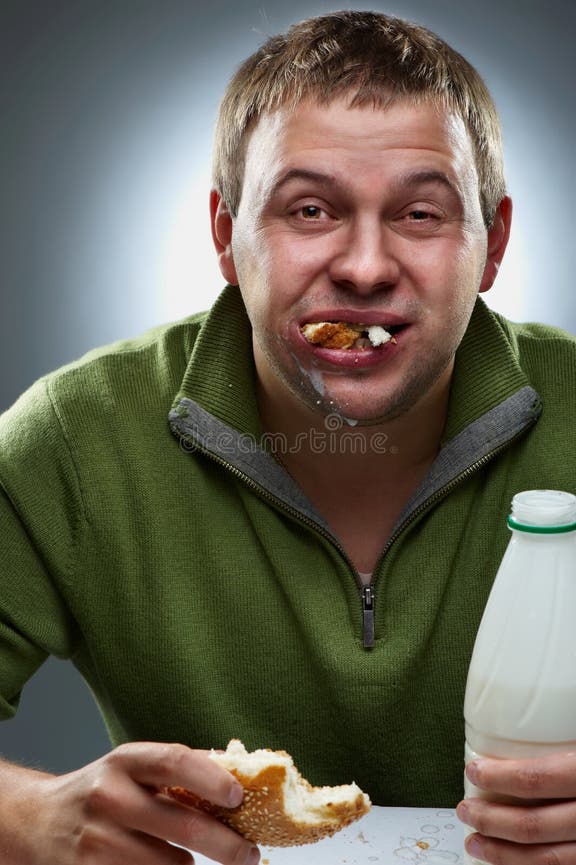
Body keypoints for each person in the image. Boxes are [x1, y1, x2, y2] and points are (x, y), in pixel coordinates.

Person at [1, 9, 575, 865]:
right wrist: (29, 815)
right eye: (309, 209)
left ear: (492, 245)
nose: (366, 266)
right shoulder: (76, 436)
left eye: (421, 213)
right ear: (225, 235)